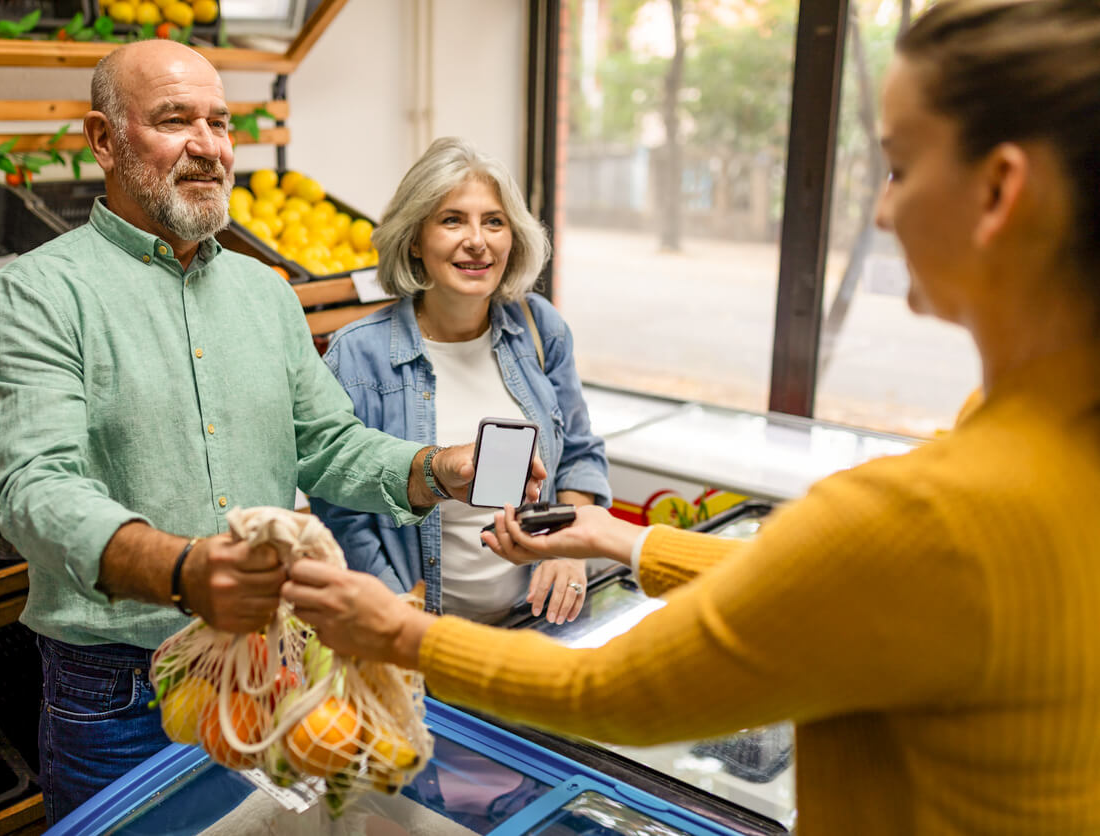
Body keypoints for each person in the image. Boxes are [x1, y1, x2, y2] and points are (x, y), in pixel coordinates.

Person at [282, 1, 1100, 832]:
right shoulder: (1034, 446)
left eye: (898, 167)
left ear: (999, 190)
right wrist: (615, 537)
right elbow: (818, 582)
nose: (881, 213)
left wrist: (398, 634)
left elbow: (608, 693)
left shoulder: (929, 512)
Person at [0, 40, 538, 824]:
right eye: (176, 120)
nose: (208, 147)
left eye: (221, 123)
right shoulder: (40, 293)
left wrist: (440, 466)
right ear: (105, 140)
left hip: (267, 671)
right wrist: (183, 570)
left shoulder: (265, 295)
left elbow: (330, 444)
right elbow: (36, 488)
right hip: (117, 691)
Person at [308, 137, 611, 625]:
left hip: (536, 623)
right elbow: (340, 510)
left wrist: (569, 547)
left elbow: (579, 455)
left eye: (494, 221)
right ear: (413, 238)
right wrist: (403, 619)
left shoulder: (540, 328)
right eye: (452, 220)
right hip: (421, 635)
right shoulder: (358, 353)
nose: (478, 240)